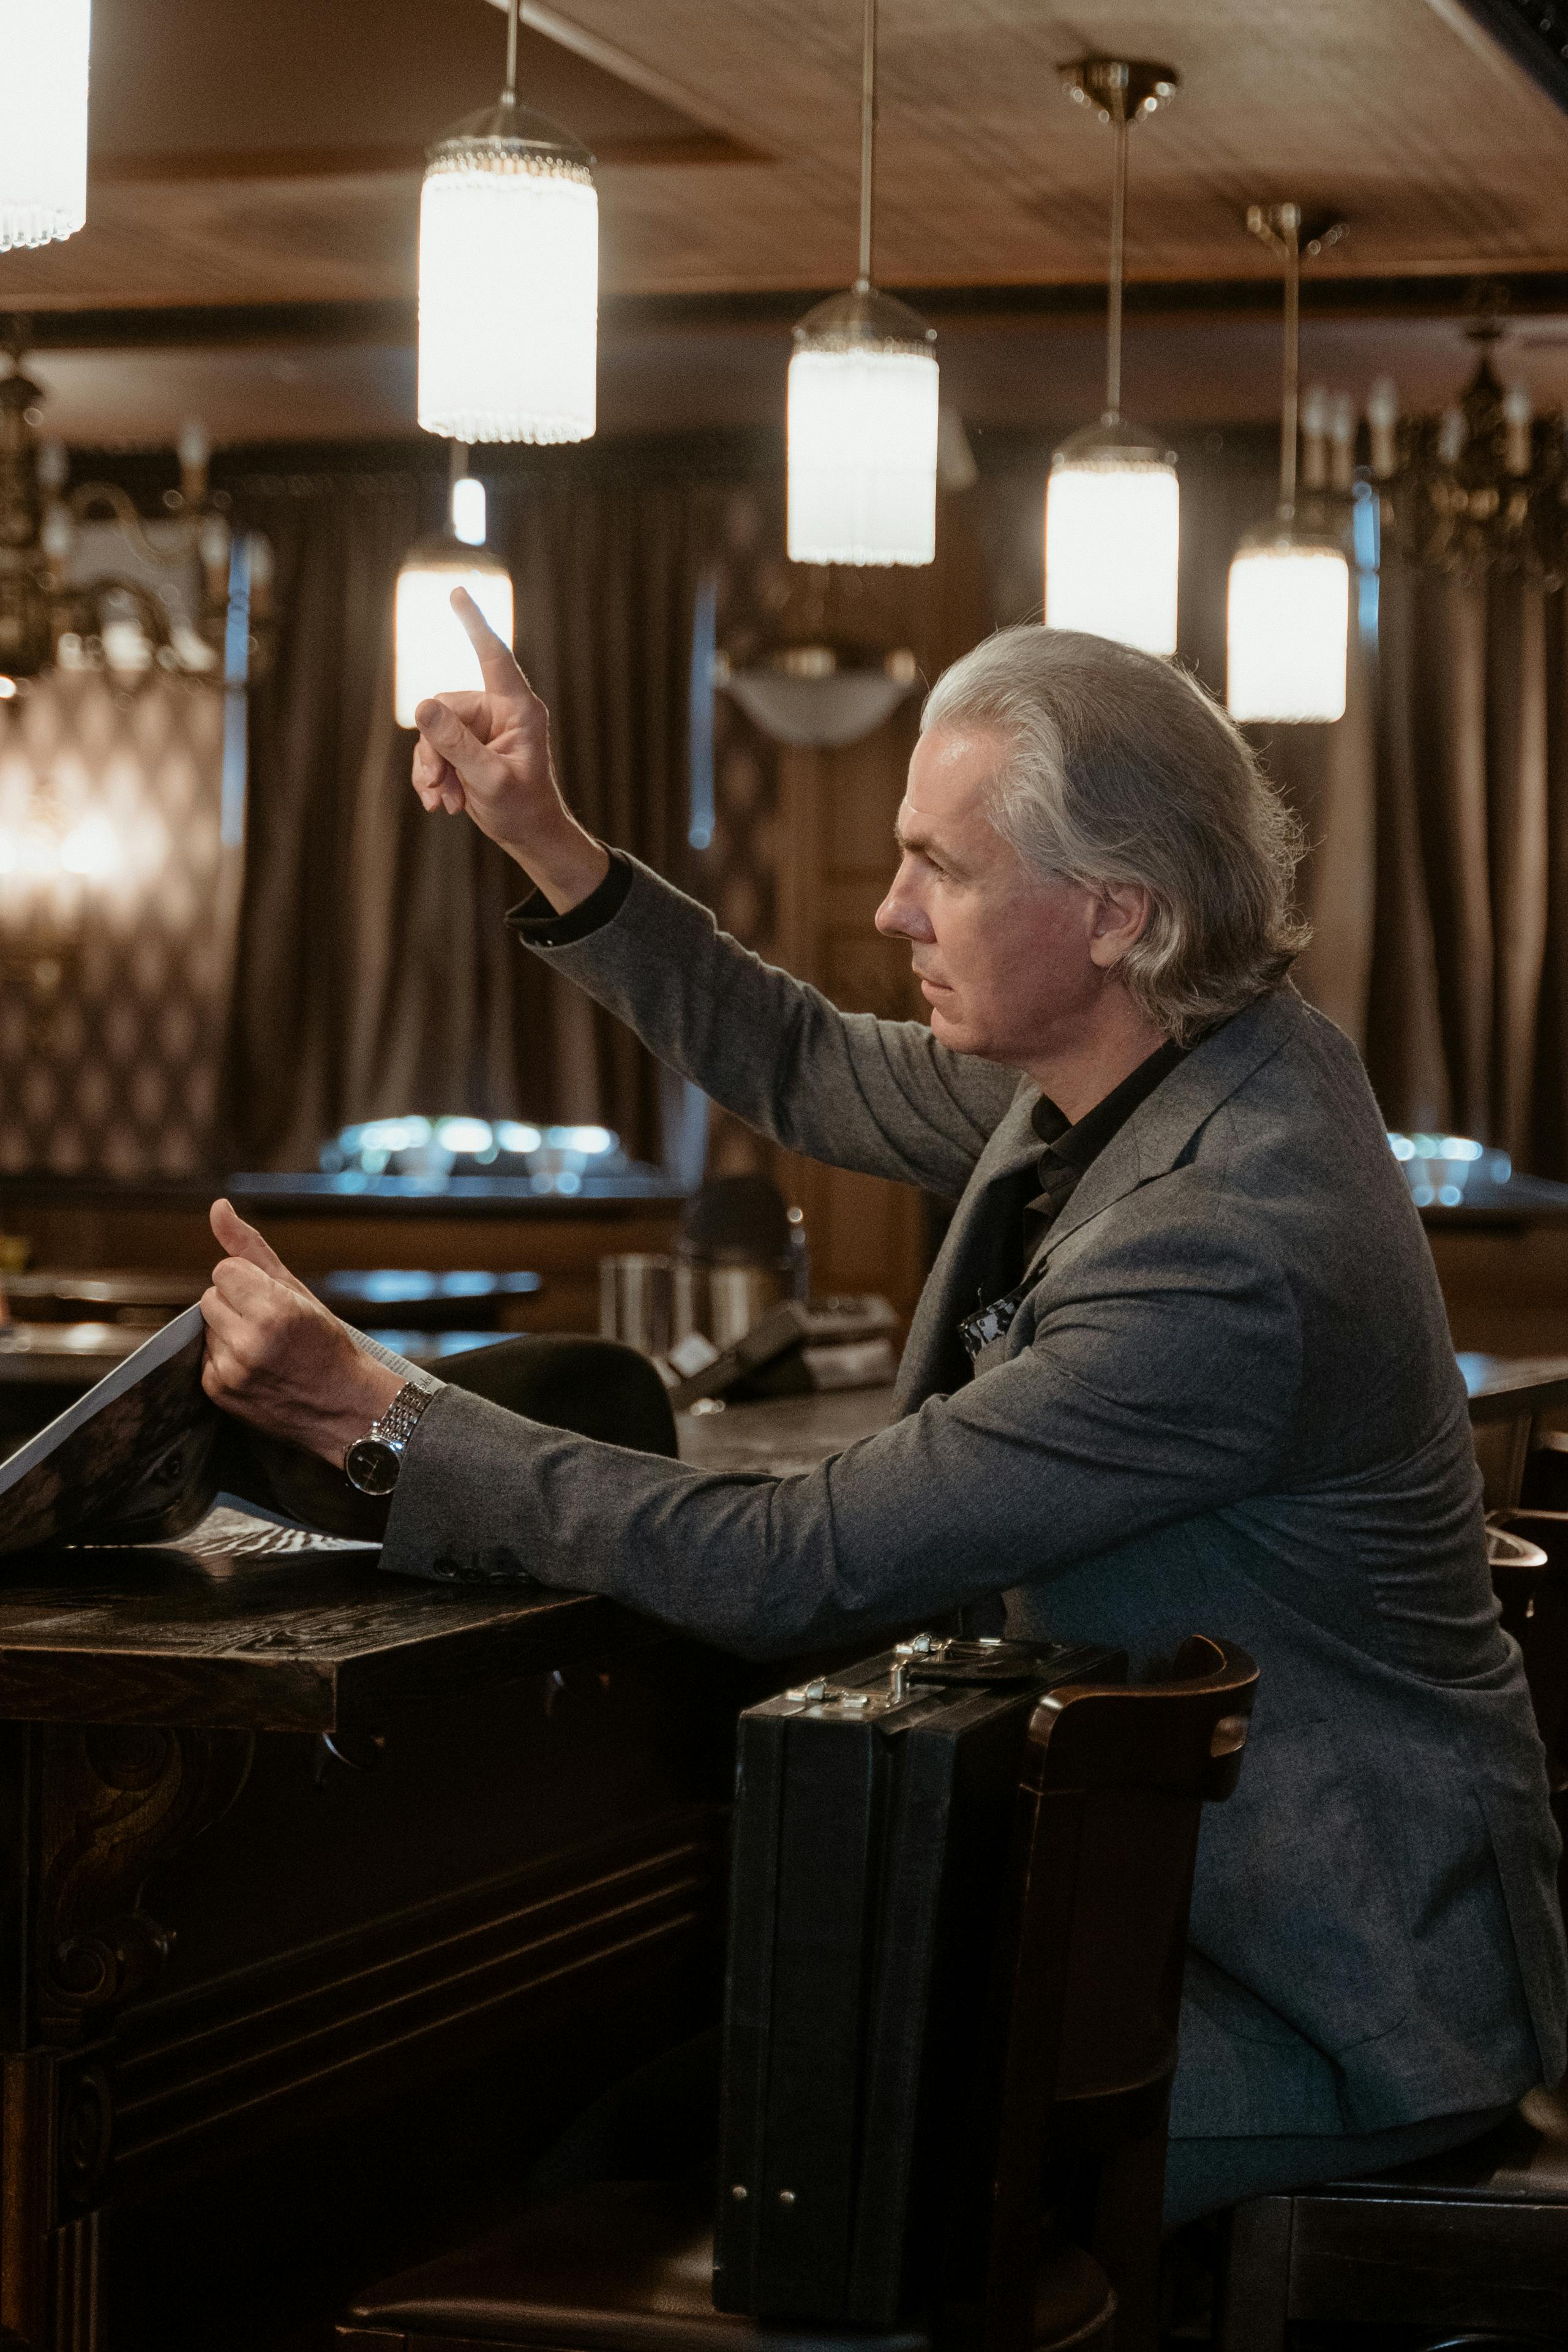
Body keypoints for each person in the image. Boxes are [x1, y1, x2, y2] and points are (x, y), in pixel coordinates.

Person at [200, 593, 1566, 2228]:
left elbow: (807, 1558)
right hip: (1171, 1923)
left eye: (945, 866)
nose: (889, 905)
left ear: (1116, 909)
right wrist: (548, 841)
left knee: (604, 2157)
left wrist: (389, 1415)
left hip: (1319, 2005)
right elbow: (804, 1063)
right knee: (625, 2100)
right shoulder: (1179, 1055)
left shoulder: (1230, 1240)